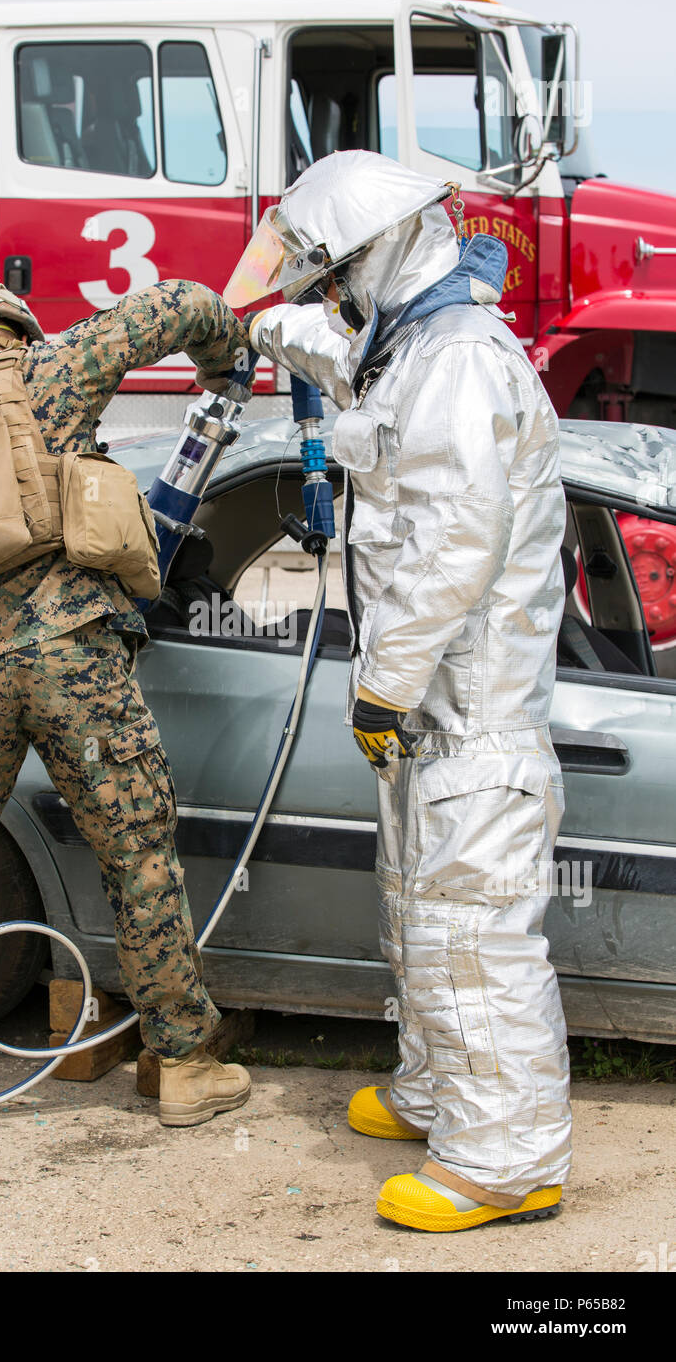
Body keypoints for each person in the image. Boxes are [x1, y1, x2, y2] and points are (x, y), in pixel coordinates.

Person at [226, 150, 570, 1232]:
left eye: (333, 276)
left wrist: (380, 685)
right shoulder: (409, 346)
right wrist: (248, 315)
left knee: (472, 930)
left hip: (468, 711)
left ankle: (506, 1163)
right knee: (416, 907)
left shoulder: (459, 363)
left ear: (375, 254)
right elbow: (330, 348)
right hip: (430, 712)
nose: (329, 297)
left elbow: (453, 543)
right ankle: (437, 1091)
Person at [0, 276, 251, 1128]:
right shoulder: (53, 370)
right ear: (11, 328)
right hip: (73, 655)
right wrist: (229, 361)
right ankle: (183, 1063)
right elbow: (181, 302)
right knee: (137, 853)